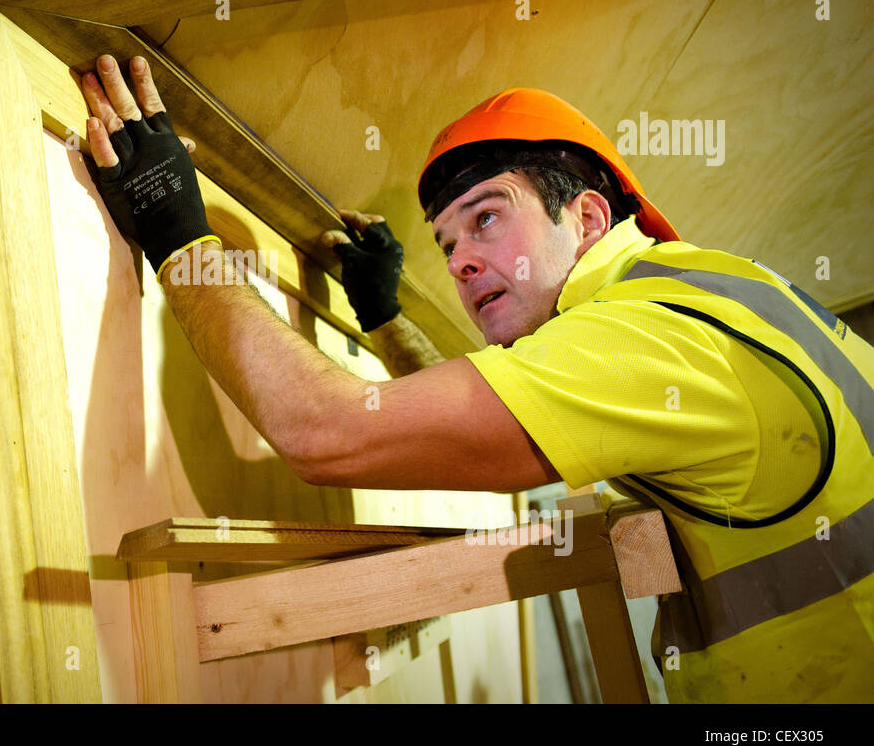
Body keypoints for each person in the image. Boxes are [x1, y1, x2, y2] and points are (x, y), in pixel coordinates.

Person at [78, 53, 874, 703]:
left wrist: (179, 232)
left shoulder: (643, 340)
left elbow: (323, 432)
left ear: (588, 218)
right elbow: (493, 421)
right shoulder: (694, 291)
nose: (458, 259)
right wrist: (385, 316)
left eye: (487, 216)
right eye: (447, 240)